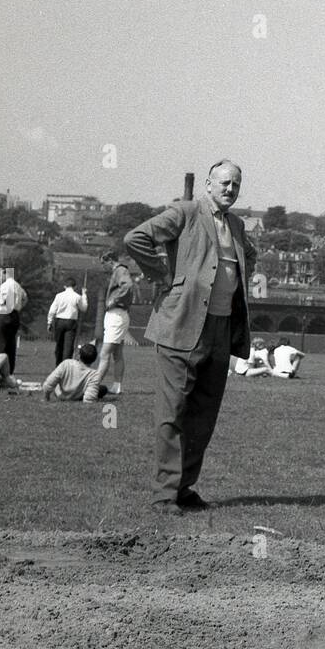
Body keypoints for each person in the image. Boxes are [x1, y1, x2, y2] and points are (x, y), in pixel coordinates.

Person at [125, 159, 257, 516]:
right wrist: (164, 275)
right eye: (224, 183)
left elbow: (250, 258)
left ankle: (184, 489)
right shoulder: (184, 213)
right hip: (180, 326)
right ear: (209, 185)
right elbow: (135, 238)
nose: (230, 189)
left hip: (220, 329)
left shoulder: (238, 225)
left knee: (203, 414)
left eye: (236, 185)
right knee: (173, 413)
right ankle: (164, 495)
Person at [88, 249, 132, 396]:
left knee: (105, 353)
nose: (102, 267)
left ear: (110, 261)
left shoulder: (120, 270)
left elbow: (127, 286)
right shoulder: (118, 271)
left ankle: (93, 385)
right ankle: (117, 386)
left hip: (116, 314)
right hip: (118, 314)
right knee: (117, 353)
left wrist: (114, 300)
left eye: (103, 263)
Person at [42, 341, 107, 402]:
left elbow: (50, 382)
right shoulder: (93, 374)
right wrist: (89, 400)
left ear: (79, 355)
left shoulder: (66, 363)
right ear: (94, 359)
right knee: (103, 389)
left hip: (60, 394)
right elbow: (89, 397)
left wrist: (46, 397)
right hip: (77, 397)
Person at [0, 271, 27, 376]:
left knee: (0, 343)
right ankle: (9, 370)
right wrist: (18, 307)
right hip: (15, 315)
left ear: (4, 273)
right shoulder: (18, 286)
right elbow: (25, 298)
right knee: (11, 344)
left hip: (4, 313)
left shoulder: (5, 285)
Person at [47, 276, 87, 366]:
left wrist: (49, 322)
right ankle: (66, 366)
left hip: (59, 321)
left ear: (65, 286)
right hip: (71, 322)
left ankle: (58, 365)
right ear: (75, 286)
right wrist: (84, 294)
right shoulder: (77, 296)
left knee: (59, 345)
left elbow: (52, 310)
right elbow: (84, 308)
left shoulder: (59, 296)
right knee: (68, 347)